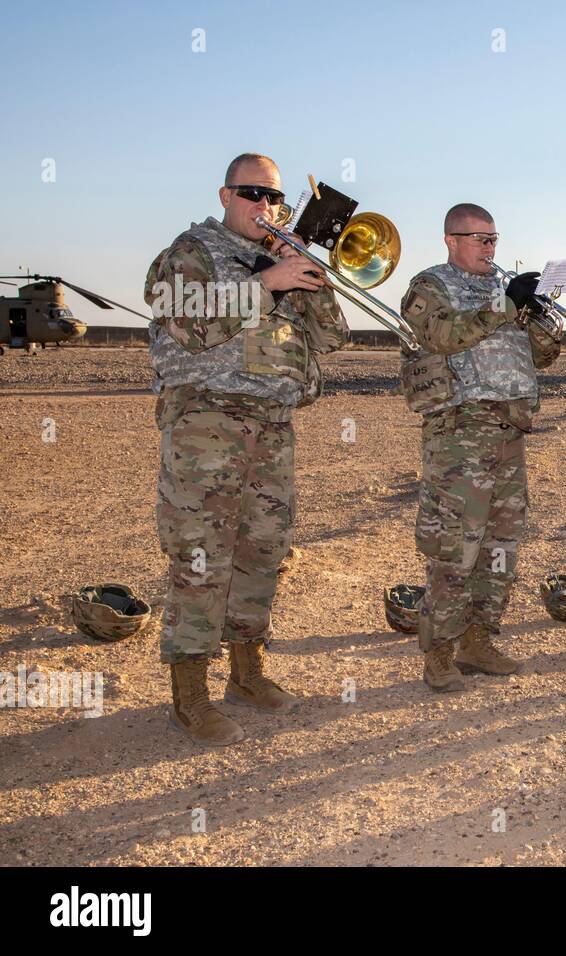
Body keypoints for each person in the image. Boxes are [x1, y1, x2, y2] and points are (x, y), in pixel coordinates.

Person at [144, 152, 348, 745]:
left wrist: (306, 276)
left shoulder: (281, 253)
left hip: (272, 424)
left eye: (275, 198)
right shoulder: (192, 252)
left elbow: (331, 338)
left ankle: (246, 671)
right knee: (202, 555)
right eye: (253, 194)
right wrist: (266, 283)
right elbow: (188, 322)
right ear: (225, 194)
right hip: (208, 424)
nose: (267, 206)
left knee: (265, 550)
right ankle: (190, 695)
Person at [398, 203, 560, 691]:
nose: (490, 248)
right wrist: (506, 307)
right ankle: (440, 651)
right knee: (455, 546)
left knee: (500, 546)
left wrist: (538, 317)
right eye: (479, 239)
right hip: (460, 434)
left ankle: (479, 638)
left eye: (494, 239)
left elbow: (546, 355)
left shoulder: (501, 289)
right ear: (451, 240)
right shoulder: (430, 287)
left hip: (510, 429)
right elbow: (443, 334)